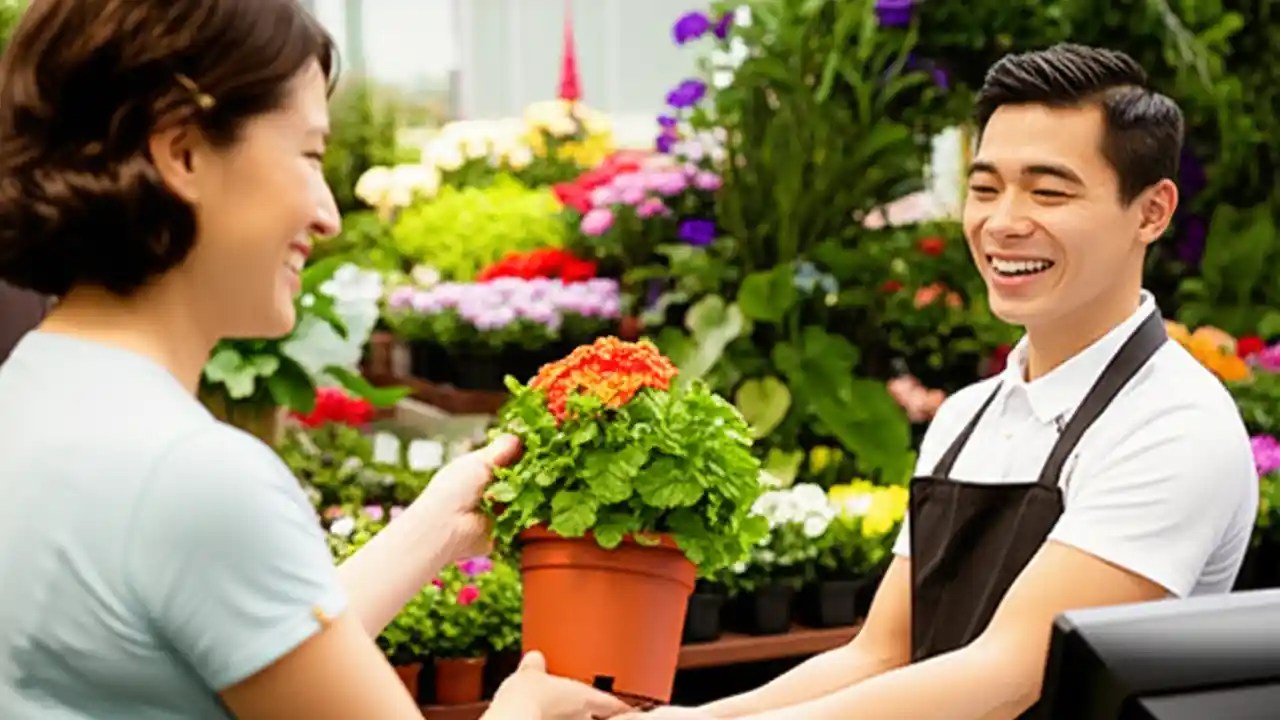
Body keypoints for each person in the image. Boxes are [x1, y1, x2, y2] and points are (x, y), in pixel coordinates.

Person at [0, 1, 628, 719]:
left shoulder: (35, 391)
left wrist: (439, 527)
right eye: (309, 155)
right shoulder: (192, 475)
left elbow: (244, 642)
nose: (328, 215)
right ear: (183, 154)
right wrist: (524, 710)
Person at [623, 43, 1258, 720]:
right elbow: (880, 655)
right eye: (984, 189)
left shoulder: (1172, 423)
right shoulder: (966, 416)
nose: (1003, 222)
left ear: (1152, 212)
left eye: (1049, 191)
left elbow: (1012, 672)